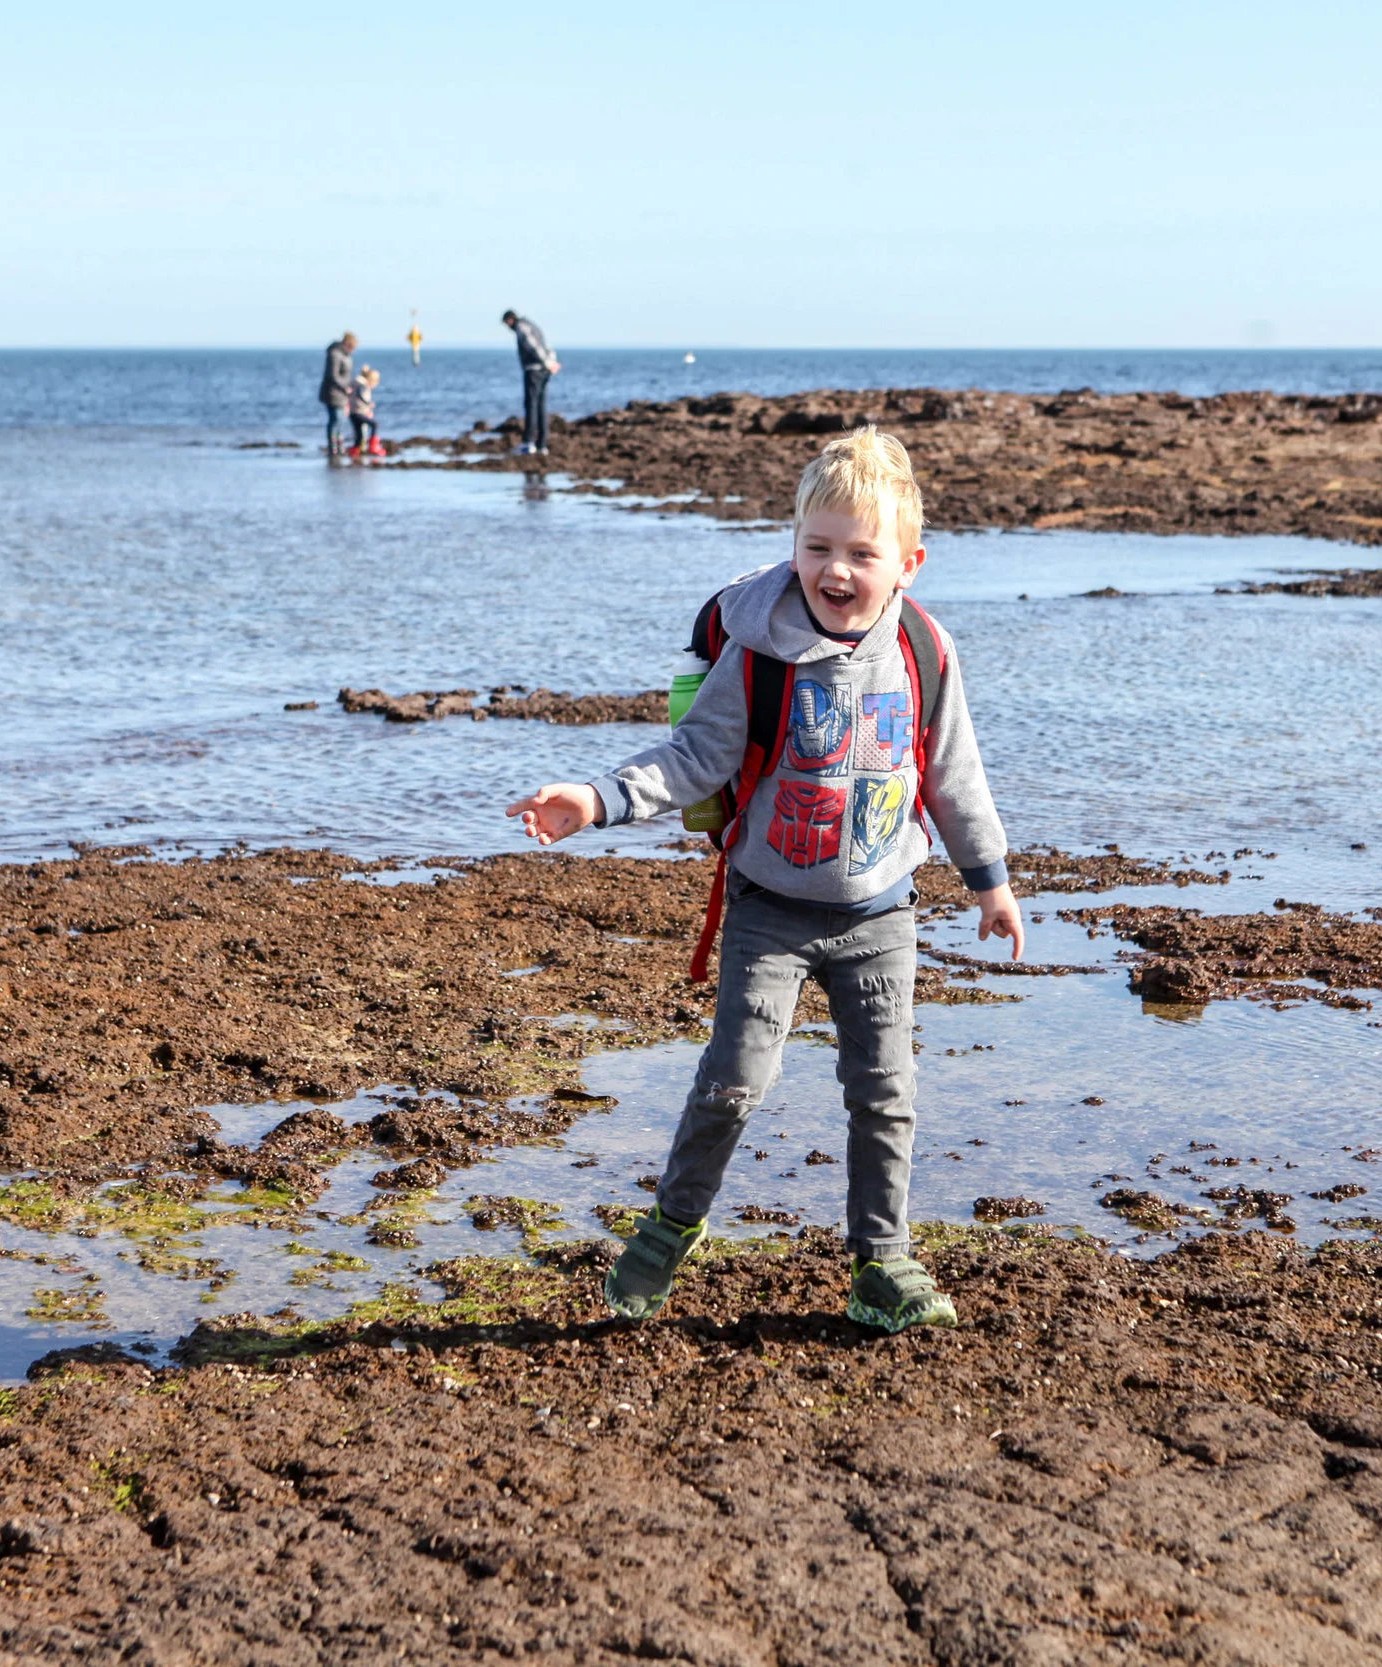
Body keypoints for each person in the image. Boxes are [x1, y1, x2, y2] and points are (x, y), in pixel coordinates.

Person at [505, 427, 1022, 1333]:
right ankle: (673, 1225)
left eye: (862, 553)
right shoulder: (758, 651)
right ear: (793, 545)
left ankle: (882, 1261)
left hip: (882, 914)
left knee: (885, 1091)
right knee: (732, 1080)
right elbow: (695, 754)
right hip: (767, 910)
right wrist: (595, 798)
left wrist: (989, 878)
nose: (836, 571)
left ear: (908, 562)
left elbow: (951, 773)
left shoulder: (926, 654)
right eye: (817, 547)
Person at [501, 309, 558, 455]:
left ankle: (528, 443)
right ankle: (542, 444)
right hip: (545, 370)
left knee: (531, 405)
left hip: (534, 370)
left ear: (510, 320)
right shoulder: (532, 325)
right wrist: (552, 361)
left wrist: (546, 362)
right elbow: (545, 344)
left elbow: (533, 346)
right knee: (541, 405)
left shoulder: (521, 327)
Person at [317, 330, 359, 457]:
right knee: (335, 419)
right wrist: (345, 388)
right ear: (346, 343)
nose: (353, 350)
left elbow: (346, 375)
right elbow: (333, 375)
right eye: (352, 347)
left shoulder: (347, 356)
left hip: (343, 393)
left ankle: (339, 446)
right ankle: (333, 448)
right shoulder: (334, 354)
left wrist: (350, 387)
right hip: (333, 393)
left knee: (340, 420)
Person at [345, 364, 384, 461]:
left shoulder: (356, 383)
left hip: (353, 413)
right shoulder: (362, 385)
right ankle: (373, 447)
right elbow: (360, 395)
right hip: (358, 412)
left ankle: (355, 452)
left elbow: (351, 395)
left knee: (359, 435)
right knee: (375, 424)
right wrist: (368, 404)